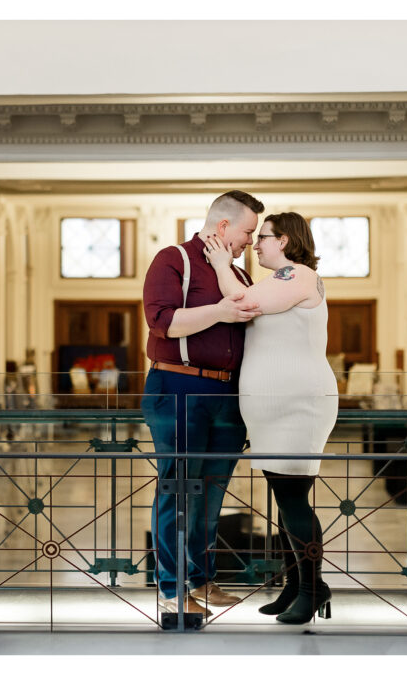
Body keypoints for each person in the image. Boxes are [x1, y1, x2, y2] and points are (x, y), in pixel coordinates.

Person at [203, 211, 338, 624]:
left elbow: (241, 304)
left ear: (285, 241)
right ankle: (295, 584)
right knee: (285, 498)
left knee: (293, 498)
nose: (257, 245)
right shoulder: (278, 278)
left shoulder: (297, 274)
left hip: (297, 405)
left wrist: (223, 266)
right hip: (275, 410)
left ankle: (312, 588)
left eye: (264, 237)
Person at [141, 190, 265, 617]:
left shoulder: (240, 276)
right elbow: (162, 322)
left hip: (228, 397)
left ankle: (202, 581)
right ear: (225, 226)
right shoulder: (172, 259)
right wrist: (220, 313)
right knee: (177, 490)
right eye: (248, 231)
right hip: (178, 387)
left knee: (212, 495)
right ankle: (172, 592)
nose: (251, 240)